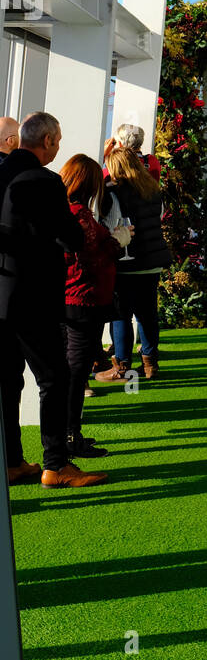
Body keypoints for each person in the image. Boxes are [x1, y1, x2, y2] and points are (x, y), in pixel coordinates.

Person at [0, 112, 107, 487]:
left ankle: (12, 462)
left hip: (1, 298)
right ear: (46, 141)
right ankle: (55, 464)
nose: (58, 147)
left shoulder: (1, 173)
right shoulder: (45, 181)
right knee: (54, 378)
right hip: (33, 297)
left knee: (9, 382)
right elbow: (70, 239)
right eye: (57, 141)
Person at [59, 155, 131, 458]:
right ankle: (70, 436)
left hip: (77, 300)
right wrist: (118, 242)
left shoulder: (69, 213)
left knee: (74, 369)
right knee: (75, 371)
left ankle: (70, 434)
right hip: (83, 301)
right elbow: (89, 259)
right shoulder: (79, 215)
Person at [96, 148, 172, 380]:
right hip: (153, 261)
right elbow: (158, 218)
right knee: (147, 314)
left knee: (121, 314)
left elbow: (111, 225)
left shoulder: (112, 193)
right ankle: (150, 364)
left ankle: (122, 365)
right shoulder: (152, 188)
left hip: (127, 262)